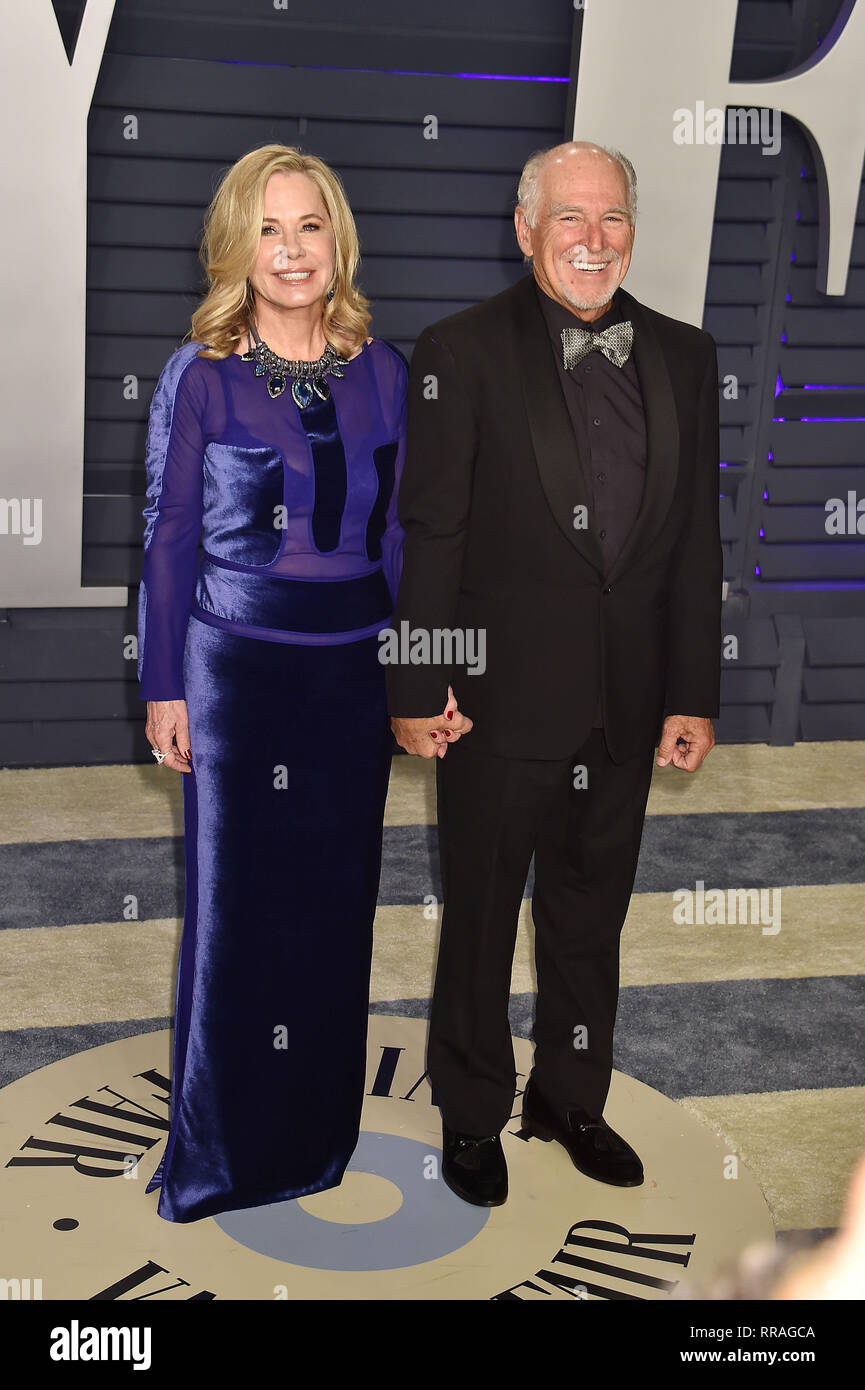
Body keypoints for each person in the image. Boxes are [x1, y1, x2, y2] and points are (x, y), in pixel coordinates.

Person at [387, 141, 722, 1207]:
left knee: (590, 917)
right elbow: (428, 533)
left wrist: (691, 690)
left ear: (632, 227)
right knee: (482, 918)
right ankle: (473, 1108)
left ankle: (571, 1098)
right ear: (524, 228)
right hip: (495, 702)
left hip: (626, 703)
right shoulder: (457, 350)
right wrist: (411, 685)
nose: (592, 238)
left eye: (611, 217)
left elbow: (695, 544)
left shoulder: (683, 354)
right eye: (568, 218)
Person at [137, 143, 465, 1223]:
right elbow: (171, 531)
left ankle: (314, 1140)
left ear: (337, 241)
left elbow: (407, 544)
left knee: (333, 912)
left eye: (309, 227)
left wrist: (421, 684)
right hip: (235, 672)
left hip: (350, 679)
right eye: (269, 230)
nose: (291, 251)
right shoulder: (204, 372)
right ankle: (222, 1153)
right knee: (236, 915)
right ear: (240, 244)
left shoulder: (382, 366)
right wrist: (166, 683)